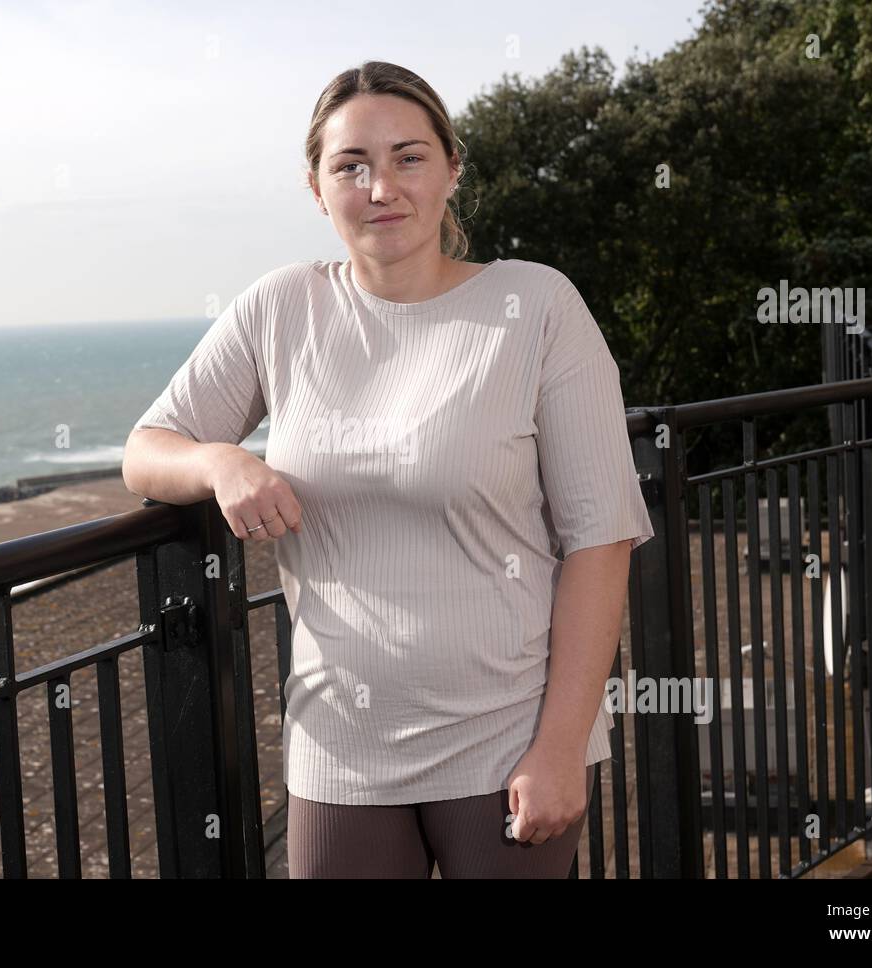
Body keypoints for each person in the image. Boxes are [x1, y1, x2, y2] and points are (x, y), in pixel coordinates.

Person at [122, 60, 654, 878]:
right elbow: (148, 449)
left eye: (408, 157)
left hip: (507, 738)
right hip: (340, 742)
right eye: (351, 166)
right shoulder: (282, 307)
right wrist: (222, 461)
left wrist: (559, 749)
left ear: (451, 170)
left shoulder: (537, 307)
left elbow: (600, 539)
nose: (381, 187)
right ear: (316, 187)